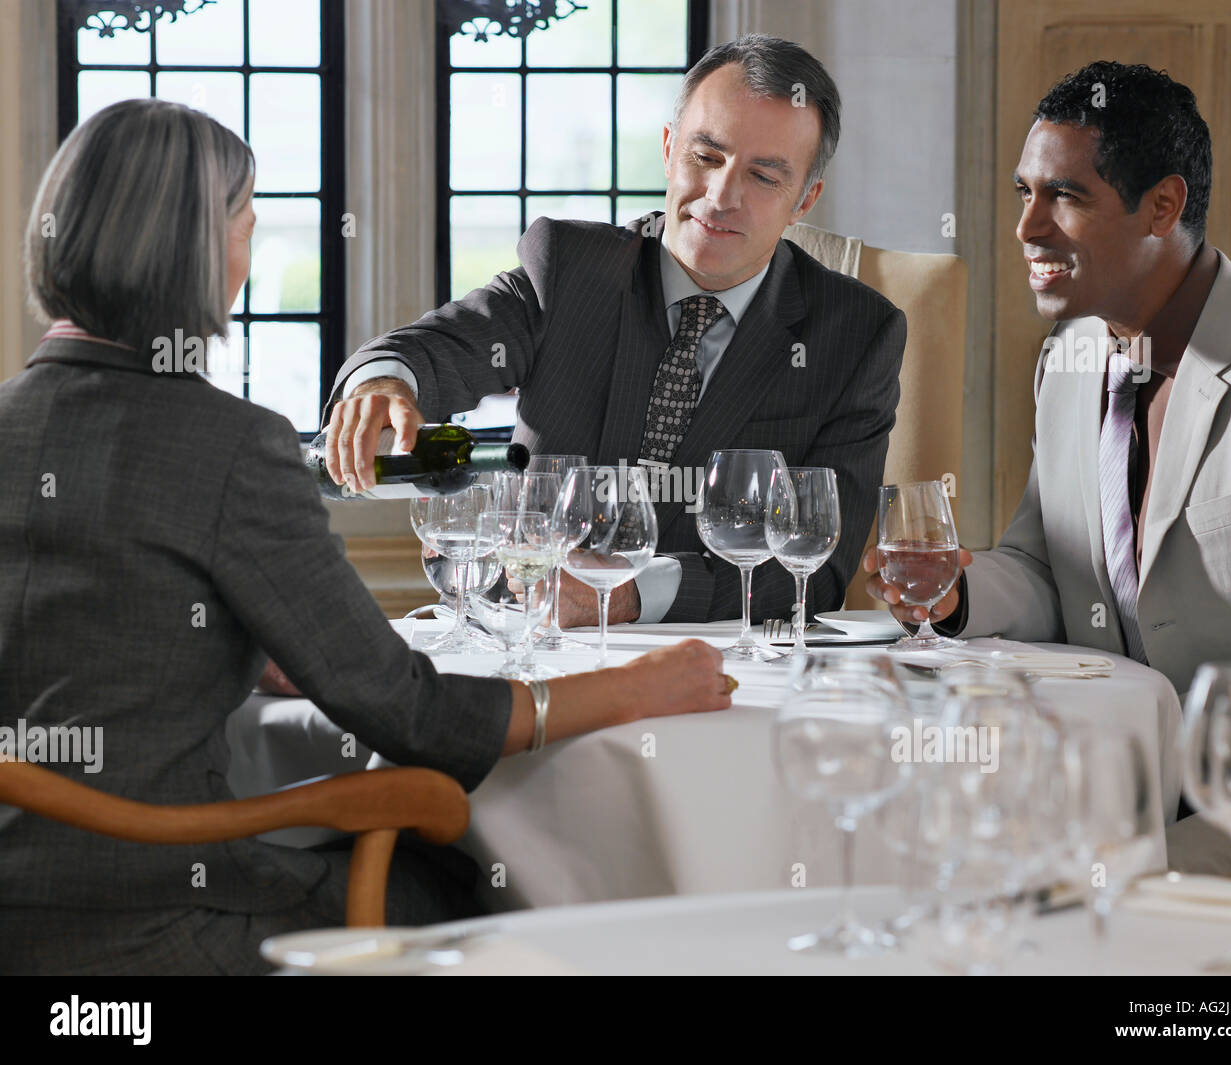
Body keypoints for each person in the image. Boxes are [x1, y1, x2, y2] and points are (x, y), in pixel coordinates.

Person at [0, 98, 731, 976]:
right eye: (244, 222)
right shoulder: (233, 445)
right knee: (490, 887)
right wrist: (627, 690)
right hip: (153, 922)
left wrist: (233, 646)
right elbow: (407, 712)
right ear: (187, 252)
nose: (249, 250)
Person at [864, 62, 1231, 878]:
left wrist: (1200, 731)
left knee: (1057, 898)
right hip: (1105, 782)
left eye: (1064, 196)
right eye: (1024, 193)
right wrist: (959, 592)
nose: (1027, 227)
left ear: (1162, 206)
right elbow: (1043, 564)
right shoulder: (1068, 360)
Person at [322, 34, 906, 628]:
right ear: (668, 148)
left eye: (763, 176)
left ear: (805, 198)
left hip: (725, 668)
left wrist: (629, 593)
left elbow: (821, 567)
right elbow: (431, 351)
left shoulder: (856, 335)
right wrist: (384, 385)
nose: (720, 197)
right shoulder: (571, 271)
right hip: (528, 644)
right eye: (705, 157)